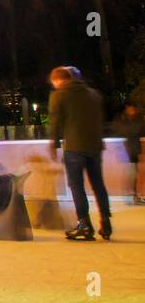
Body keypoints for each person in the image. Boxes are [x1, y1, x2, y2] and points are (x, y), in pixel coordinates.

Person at [48, 66, 111, 240]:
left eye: (54, 82)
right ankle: (106, 221)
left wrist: (53, 145)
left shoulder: (59, 95)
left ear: (58, 80)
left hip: (75, 147)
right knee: (98, 184)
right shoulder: (94, 95)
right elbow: (99, 120)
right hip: (95, 147)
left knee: (77, 186)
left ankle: (84, 224)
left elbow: (55, 122)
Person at [25, 152, 65, 230]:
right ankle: (40, 224)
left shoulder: (32, 169)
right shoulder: (49, 169)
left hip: (37, 198)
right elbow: (61, 168)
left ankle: (37, 224)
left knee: (35, 219)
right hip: (44, 198)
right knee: (52, 223)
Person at [115, 102, 143, 204]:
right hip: (128, 151)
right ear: (127, 108)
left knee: (133, 174)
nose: (133, 111)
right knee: (131, 175)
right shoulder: (123, 120)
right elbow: (133, 130)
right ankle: (132, 198)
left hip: (132, 151)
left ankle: (134, 197)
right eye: (131, 109)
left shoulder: (131, 120)